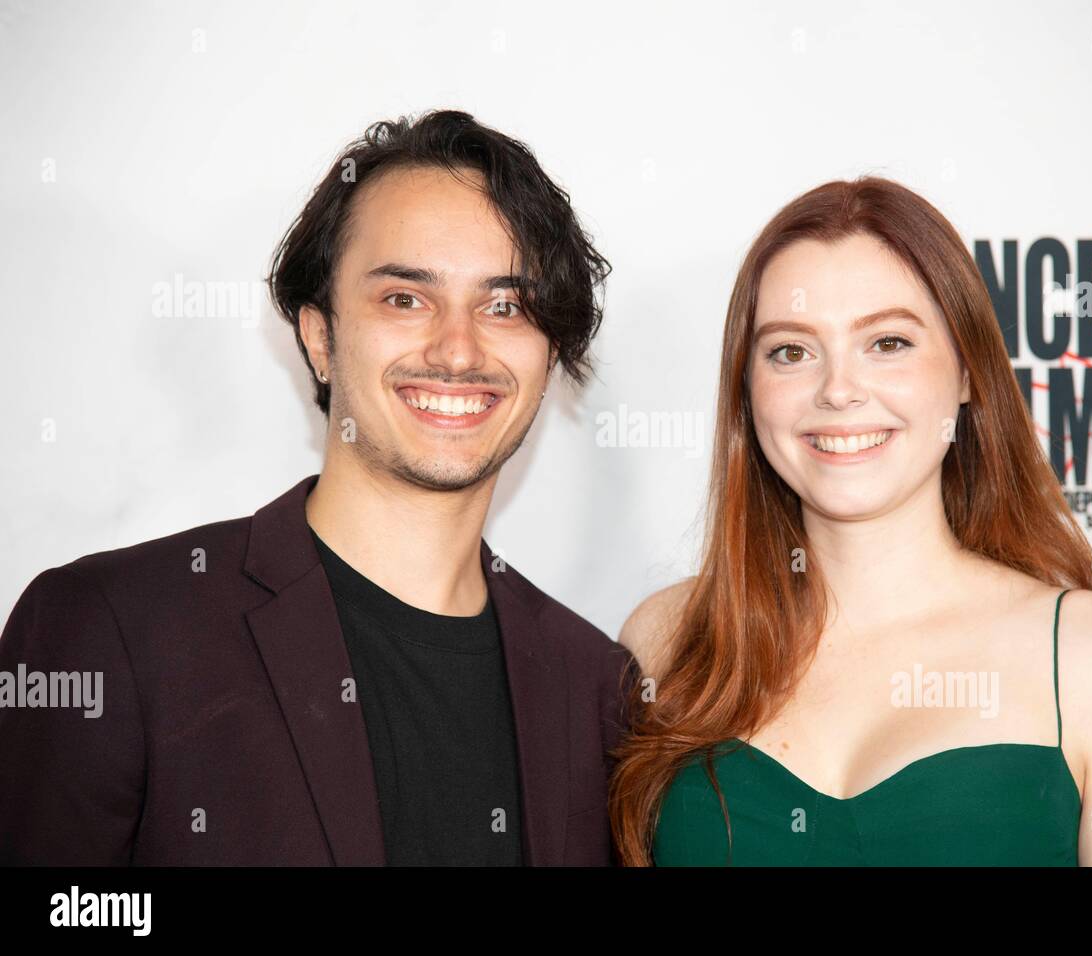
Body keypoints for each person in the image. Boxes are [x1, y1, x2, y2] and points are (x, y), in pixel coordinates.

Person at [0, 109, 636, 866]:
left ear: (549, 352)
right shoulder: (108, 631)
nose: (458, 350)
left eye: (505, 306)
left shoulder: (601, 695)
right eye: (405, 298)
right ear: (319, 337)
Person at [612, 176, 1092, 866]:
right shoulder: (665, 641)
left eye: (887, 342)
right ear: (747, 392)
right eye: (791, 351)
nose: (837, 389)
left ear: (965, 372)